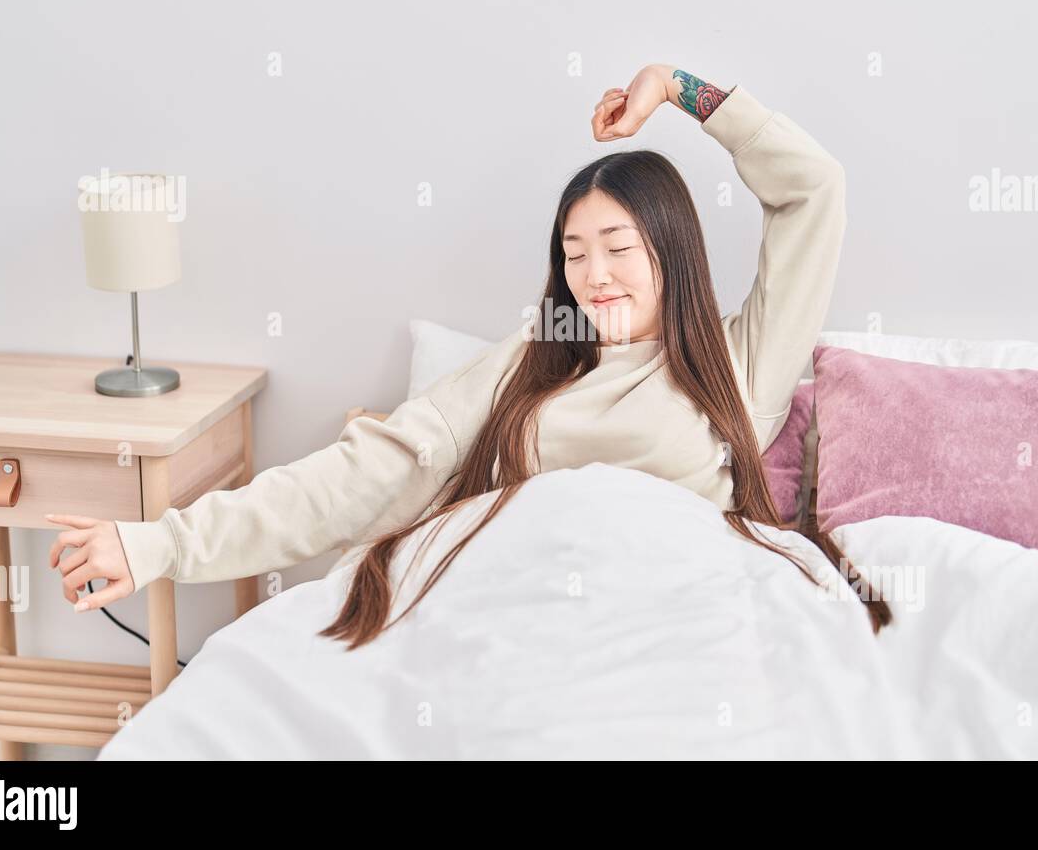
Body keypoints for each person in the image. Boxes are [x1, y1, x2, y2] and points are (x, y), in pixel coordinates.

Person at [47, 61, 891, 649]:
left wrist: (674, 87)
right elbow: (368, 472)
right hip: (517, 618)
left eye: (617, 247)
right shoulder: (535, 363)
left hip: (668, 624)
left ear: (670, 249)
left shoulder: (739, 370)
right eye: (573, 251)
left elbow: (815, 189)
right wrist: (156, 545)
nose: (592, 276)